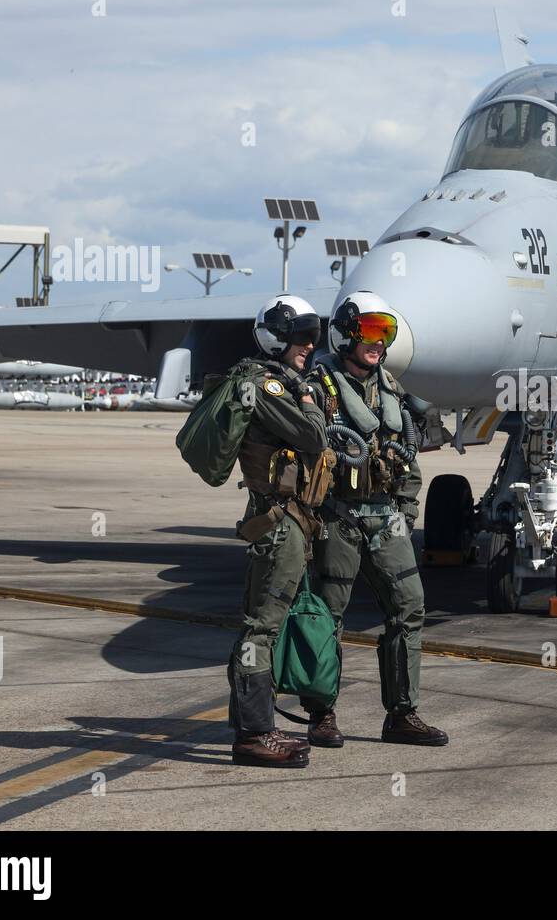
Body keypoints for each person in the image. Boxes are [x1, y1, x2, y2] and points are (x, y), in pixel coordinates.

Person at [306, 290, 448, 748]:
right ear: (345, 333)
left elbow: (408, 460)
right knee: (327, 617)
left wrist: (406, 511)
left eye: (384, 332)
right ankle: (321, 714)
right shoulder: (315, 387)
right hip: (338, 518)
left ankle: (402, 715)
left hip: (386, 520)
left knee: (409, 608)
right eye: (369, 330)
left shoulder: (391, 389)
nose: (378, 341)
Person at [227, 294, 335, 768]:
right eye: (301, 338)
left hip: (283, 519)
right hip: (279, 523)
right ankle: (254, 735)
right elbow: (314, 436)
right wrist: (309, 398)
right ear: (276, 338)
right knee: (262, 629)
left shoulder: (276, 382)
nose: (309, 346)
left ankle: (250, 726)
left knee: (257, 627)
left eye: (313, 338)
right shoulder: (269, 387)